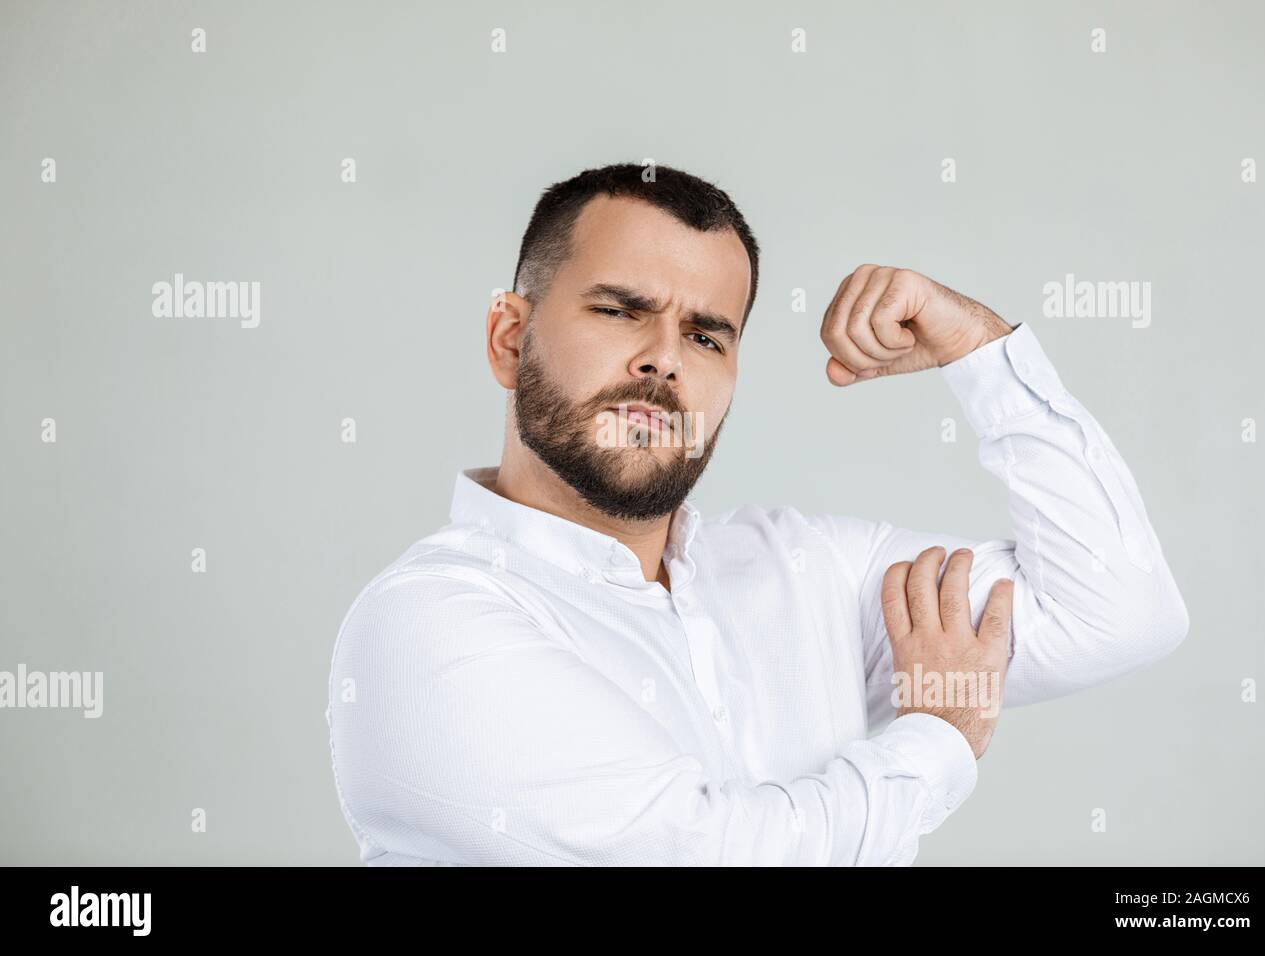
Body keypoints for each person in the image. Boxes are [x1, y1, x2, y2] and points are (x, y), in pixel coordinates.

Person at [325, 162, 1188, 866]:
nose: (663, 360)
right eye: (620, 310)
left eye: (707, 334)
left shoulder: (804, 570)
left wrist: (983, 351)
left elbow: (1117, 613)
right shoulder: (426, 622)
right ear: (510, 339)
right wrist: (935, 741)